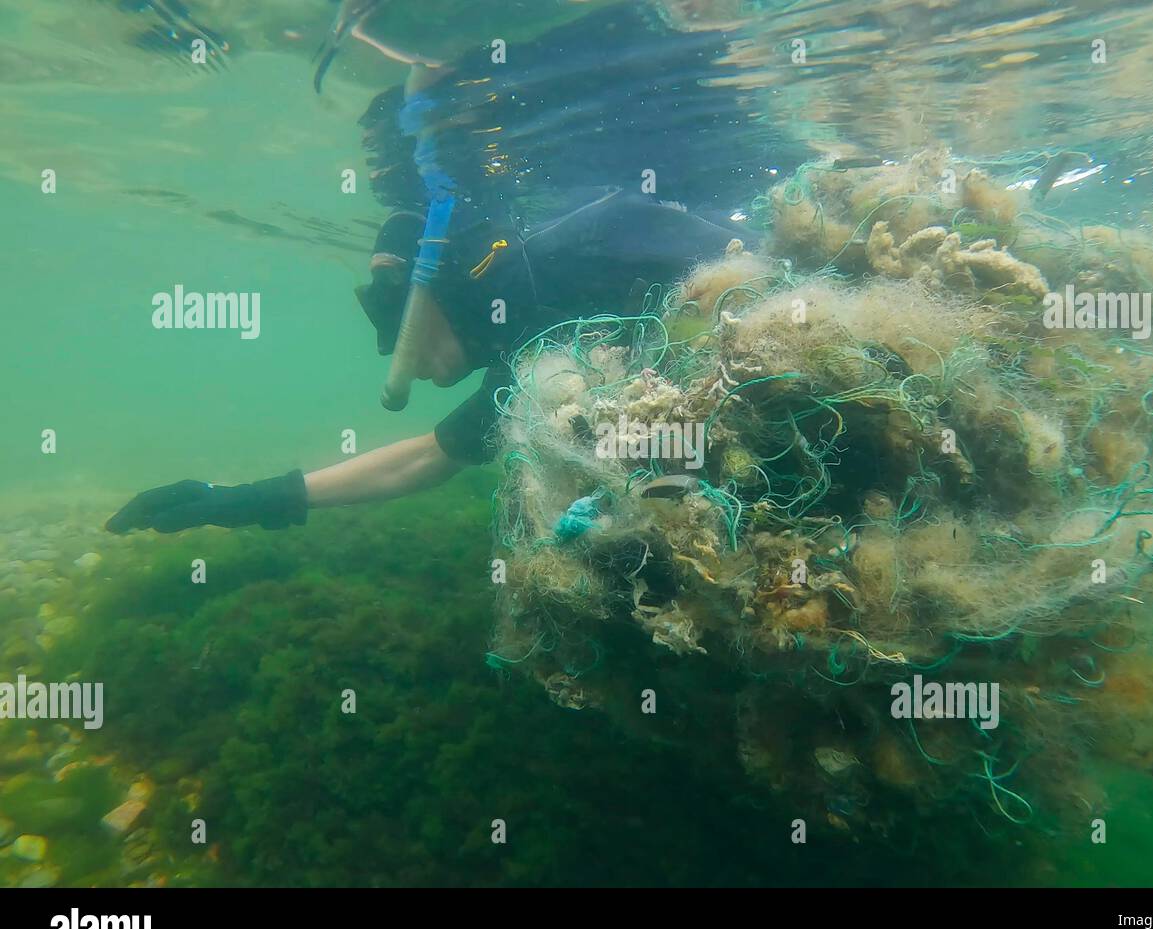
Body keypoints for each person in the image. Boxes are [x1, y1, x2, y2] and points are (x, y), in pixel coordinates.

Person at [107, 4, 796, 535]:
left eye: (398, 331)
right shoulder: (521, 350)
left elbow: (727, 260)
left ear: (434, 294)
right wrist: (246, 501)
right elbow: (427, 457)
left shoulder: (561, 256)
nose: (418, 370)